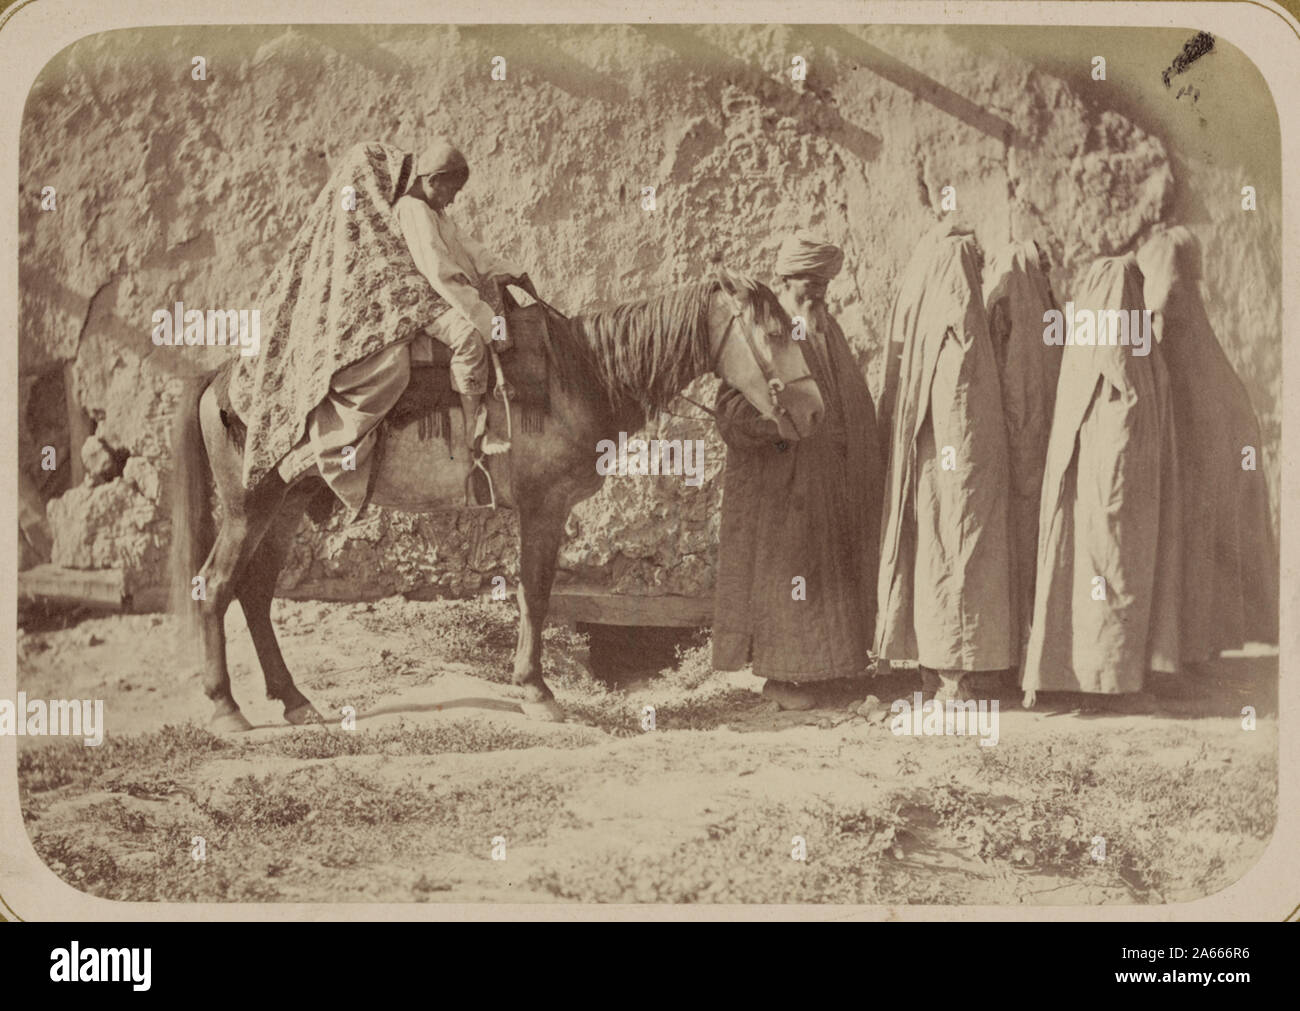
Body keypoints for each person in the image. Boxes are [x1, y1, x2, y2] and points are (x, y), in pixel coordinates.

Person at [712, 234, 883, 710]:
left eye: (826, 280)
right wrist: (779, 427)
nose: (821, 290)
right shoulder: (766, 330)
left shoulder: (829, 330)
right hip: (784, 483)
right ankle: (783, 679)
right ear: (786, 280)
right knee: (792, 578)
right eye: (811, 280)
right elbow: (730, 412)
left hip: (832, 482)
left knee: (828, 577)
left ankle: (829, 671)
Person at [1021, 253, 1180, 704]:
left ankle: (1102, 678)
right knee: (1109, 576)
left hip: (1106, 489)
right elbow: (1127, 400)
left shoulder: (1098, 347)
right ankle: (1104, 684)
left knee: (1105, 577)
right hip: (1110, 487)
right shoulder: (1117, 350)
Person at [875, 225, 1015, 701]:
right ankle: (957, 674)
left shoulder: (927, 325)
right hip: (958, 475)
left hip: (936, 474)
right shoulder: (961, 330)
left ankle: (940, 669)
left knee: (941, 554)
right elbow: (965, 408)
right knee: (960, 553)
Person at [1137, 226, 1278, 664]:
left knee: (1190, 547)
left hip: (1193, 467)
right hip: (1198, 465)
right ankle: (1192, 648)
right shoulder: (1197, 337)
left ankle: (1183, 652)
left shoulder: (1177, 336)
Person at [983, 240, 1062, 662]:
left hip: (1029, 441)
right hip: (1025, 439)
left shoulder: (1028, 302)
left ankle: (1026, 652)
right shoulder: (1016, 300)